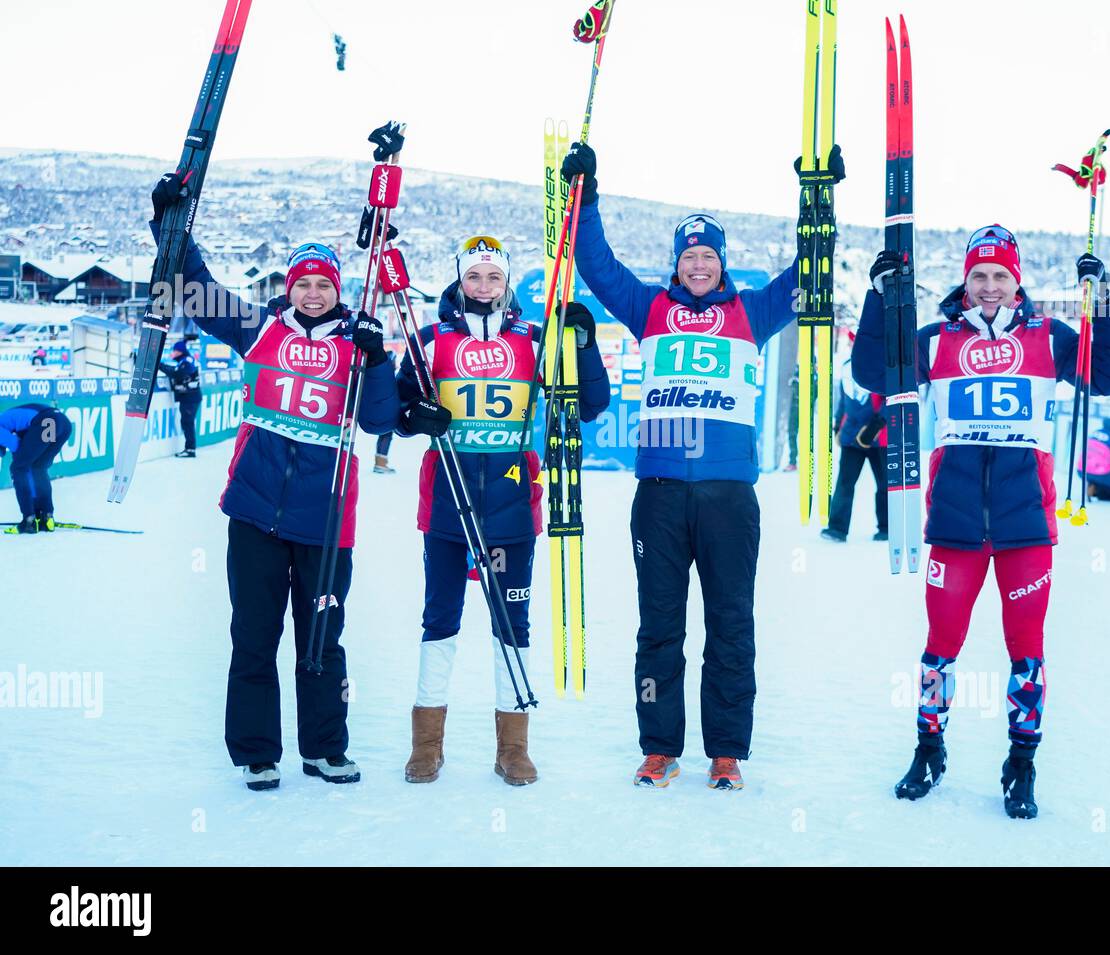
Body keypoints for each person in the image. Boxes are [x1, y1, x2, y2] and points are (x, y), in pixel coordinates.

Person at [561, 140, 844, 790]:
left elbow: (809, 273)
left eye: (707, 256)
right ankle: (660, 747)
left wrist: (817, 202)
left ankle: (726, 751)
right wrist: (588, 196)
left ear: (722, 263)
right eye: (688, 256)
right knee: (658, 627)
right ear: (677, 264)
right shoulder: (650, 309)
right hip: (659, 493)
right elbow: (595, 265)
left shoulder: (751, 312)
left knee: (730, 624)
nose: (696, 265)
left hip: (727, 497)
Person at [853, 225, 1110, 818]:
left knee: (1026, 653)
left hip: (1025, 525)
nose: (988, 287)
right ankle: (929, 750)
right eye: (978, 276)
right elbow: (874, 374)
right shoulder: (934, 341)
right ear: (966, 279)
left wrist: (1104, 298)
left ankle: (1021, 764)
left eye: (1000, 277)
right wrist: (881, 297)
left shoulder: (1050, 337)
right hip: (954, 525)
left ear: (1017, 282)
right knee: (939, 650)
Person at [150, 172, 399, 792]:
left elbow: (377, 420)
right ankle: (258, 753)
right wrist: (168, 224)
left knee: (321, 638)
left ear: (337, 289)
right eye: (303, 284)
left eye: (323, 285)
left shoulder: (355, 340)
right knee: (254, 638)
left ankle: (323, 748)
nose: (312, 295)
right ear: (289, 288)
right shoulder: (261, 327)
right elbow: (195, 289)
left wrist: (378, 358)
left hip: (327, 520)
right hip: (255, 512)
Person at [394, 236, 610, 786]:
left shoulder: (534, 341)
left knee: (512, 626)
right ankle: (426, 746)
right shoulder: (430, 340)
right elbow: (392, 412)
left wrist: (581, 345)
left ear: (506, 282)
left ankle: (513, 748)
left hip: (513, 505)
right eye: (474, 276)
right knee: (439, 621)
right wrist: (418, 416)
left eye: (493, 276)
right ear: (459, 280)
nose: (483, 286)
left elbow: (590, 404)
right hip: (447, 500)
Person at [821, 346, 888, 543]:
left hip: (879, 437)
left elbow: (891, 398)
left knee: (884, 484)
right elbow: (844, 400)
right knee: (845, 482)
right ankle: (837, 528)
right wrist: (838, 423)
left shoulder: (881, 366)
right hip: (851, 436)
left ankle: (886, 527)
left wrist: (877, 425)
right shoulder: (846, 367)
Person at [0, 404, 72, 533]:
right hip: (63, 423)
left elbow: (16, 446)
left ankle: (29, 520)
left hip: (46, 421)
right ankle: (46, 517)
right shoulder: (11, 421)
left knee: (18, 468)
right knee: (38, 467)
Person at [161, 338, 202, 457]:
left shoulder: (187, 361)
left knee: (187, 422)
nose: (172, 353)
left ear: (179, 351)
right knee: (187, 422)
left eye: (174, 351)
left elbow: (177, 373)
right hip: (189, 397)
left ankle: (190, 449)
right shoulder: (184, 361)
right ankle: (190, 448)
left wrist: (160, 365)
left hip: (190, 398)